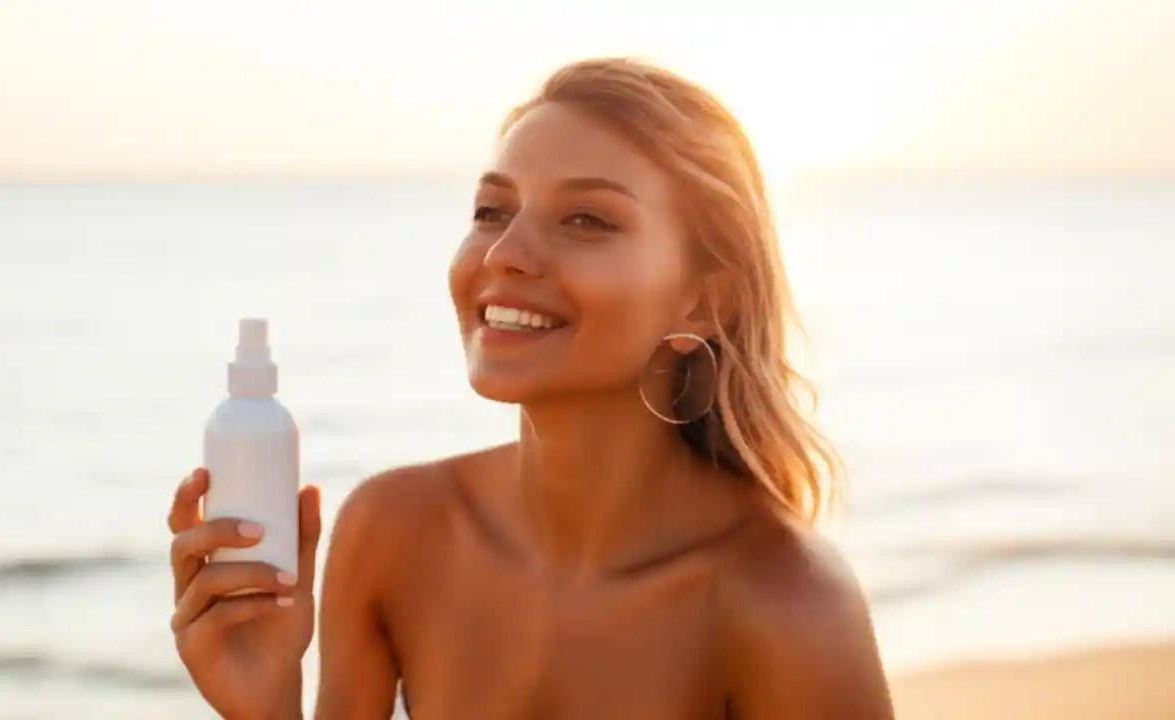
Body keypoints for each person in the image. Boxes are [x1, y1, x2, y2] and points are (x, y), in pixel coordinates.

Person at [167, 57, 894, 719]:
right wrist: (264, 708)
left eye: (586, 219)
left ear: (704, 302)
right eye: (491, 211)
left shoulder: (787, 605)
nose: (507, 253)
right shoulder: (393, 533)